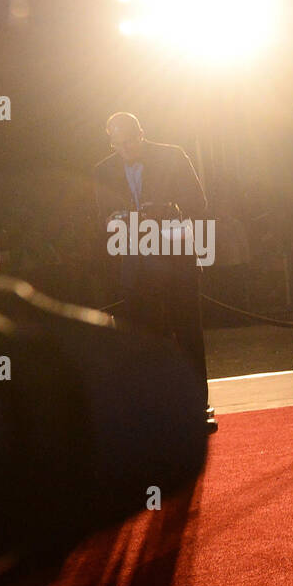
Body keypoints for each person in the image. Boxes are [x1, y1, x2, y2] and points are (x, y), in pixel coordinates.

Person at [92, 112, 216, 432]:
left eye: (130, 142)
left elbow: (198, 204)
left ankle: (197, 407)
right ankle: (155, 407)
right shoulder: (103, 170)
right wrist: (116, 219)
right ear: (111, 142)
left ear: (141, 134)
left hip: (176, 256)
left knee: (187, 331)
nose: (125, 149)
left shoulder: (172, 156)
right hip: (134, 261)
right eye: (118, 144)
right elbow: (99, 218)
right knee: (143, 338)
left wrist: (167, 209)